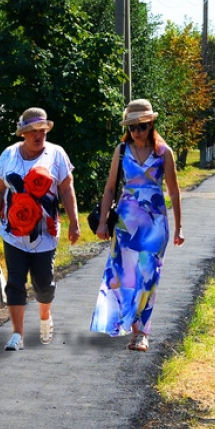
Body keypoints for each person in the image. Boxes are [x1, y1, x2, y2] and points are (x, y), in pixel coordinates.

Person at [89, 99, 183, 352]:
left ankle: (143, 332)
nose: (136, 132)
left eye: (141, 126)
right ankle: (133, 331)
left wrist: (178, 227)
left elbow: (173, 192)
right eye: (132, 128)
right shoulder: (121, 150)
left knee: (148, 275)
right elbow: (110, 188)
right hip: (125, 223)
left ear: (151, 124)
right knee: (127, 276)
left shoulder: (164, 153)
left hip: (154, 223)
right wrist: (101, 223)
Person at [0, 107, 81, 351]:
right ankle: (17, 334)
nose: (39, 135)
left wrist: (74, 221)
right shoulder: (8, 155)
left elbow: (66, 189)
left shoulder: (56, 154)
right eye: (33, 132)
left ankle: (44, 316)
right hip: (13, 232)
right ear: (23, 134)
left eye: (42, 131)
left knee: (44, 283)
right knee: (15, 282)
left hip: (45, 234)